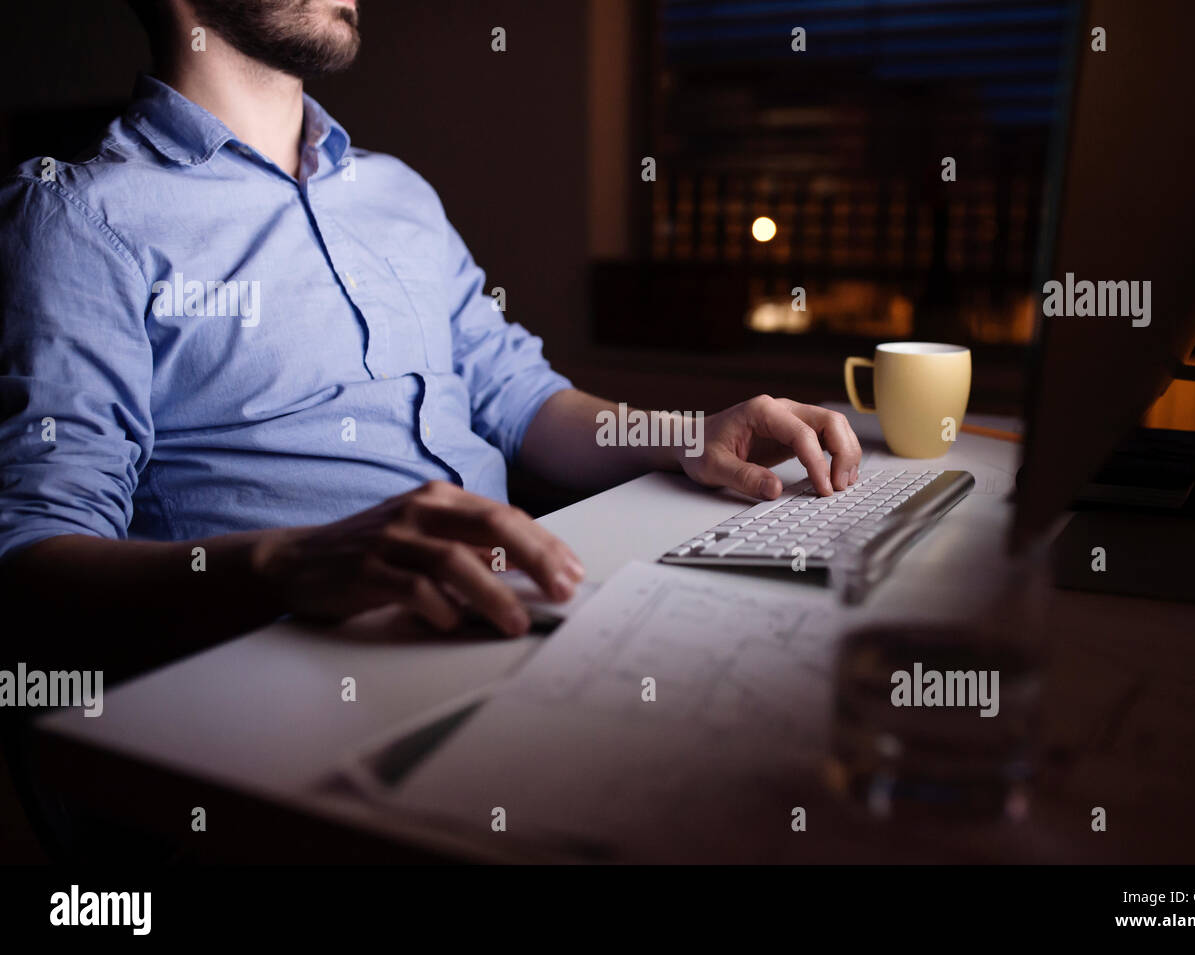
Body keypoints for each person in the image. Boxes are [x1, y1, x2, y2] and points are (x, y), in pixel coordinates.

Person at [0, 0, 862, 641]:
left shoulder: (399, 192)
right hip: (294, 667)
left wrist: (686, 431)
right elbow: (36, 558)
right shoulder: (77, 221)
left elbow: (520, 399)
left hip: (527, 611)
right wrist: (290, 565)